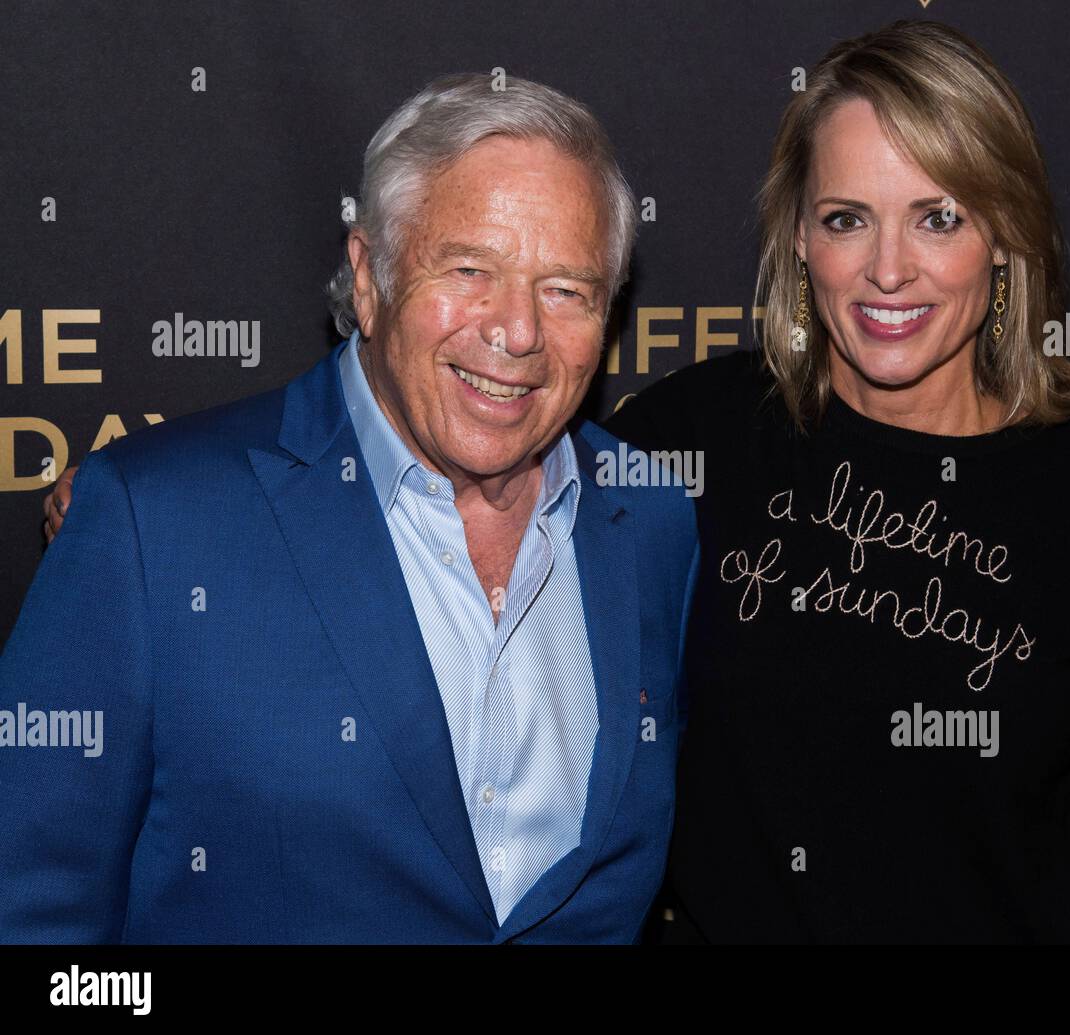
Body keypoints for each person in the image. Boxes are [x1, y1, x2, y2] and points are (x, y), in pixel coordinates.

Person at [1, 74, 698, 943]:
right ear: (369, 279)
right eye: (469, 268)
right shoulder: (154, 523)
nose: (517, 330)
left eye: (566, 288)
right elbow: (32, 912)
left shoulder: (655, 520)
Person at [606, 21, 1070, 943]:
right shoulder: (685, 440)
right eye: (846, 218)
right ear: (800, 242)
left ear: (1006, 238)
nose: (888, 269)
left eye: (939, 217)